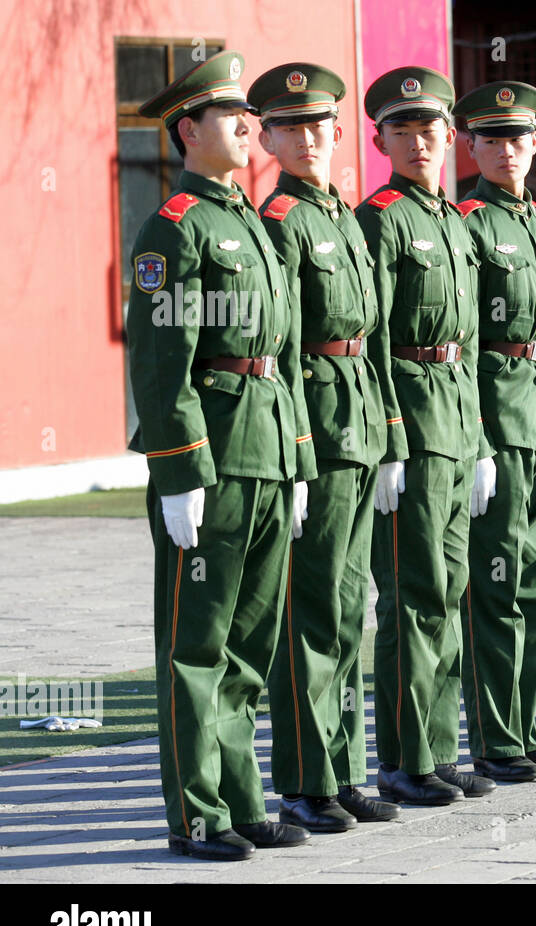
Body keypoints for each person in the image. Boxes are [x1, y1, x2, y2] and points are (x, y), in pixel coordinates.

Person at [127, 50, 314, 859]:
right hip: (215, 459)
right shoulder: (174, 227)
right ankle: (196, 813)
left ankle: (241, 800)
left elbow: (289, 352)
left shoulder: (253, 222)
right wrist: (179, 469)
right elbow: (162, 360)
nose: (247, 124)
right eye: (228, 114)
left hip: (270, 454)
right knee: (198, 645)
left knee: (251, 646)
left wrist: (301, 459)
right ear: (188, 130)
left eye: (248, 112)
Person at [248, 62, 406, 831]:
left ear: (340, 133)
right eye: (292, 126)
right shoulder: (277, 221)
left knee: (350, 608)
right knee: (311, 609)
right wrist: (301, 453)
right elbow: (277, 346)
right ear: (269, 138)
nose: (310, 138)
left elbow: (369, 339)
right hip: (317, 427)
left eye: (321, 125)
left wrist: (392, 435)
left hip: (362, 426)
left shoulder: (342, 217)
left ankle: (342, 770)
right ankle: (306, 780)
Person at [357, 66, 494, 804]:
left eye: (429, 127)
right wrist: (387, 441)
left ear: (450, 136)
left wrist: (481, 442)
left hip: (455, 420)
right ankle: (405, 759)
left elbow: (467, 341)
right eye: (401, 129)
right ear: (380, 139)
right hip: (409, 418)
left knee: (452, 589)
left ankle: (440, 748)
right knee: (413, 593)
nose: (418, 140)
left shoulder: (453, 219)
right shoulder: (380, 218)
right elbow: (373, 335)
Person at [451, 81, 536, 781]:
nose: (508, 150)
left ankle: (526, 725)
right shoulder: (469, 221)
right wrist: (475, 439)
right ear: (471, 147)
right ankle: (496, 737)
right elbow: (465, 341)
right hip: (496, 420)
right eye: (493, 139)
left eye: (520, 137)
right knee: (496, 584)